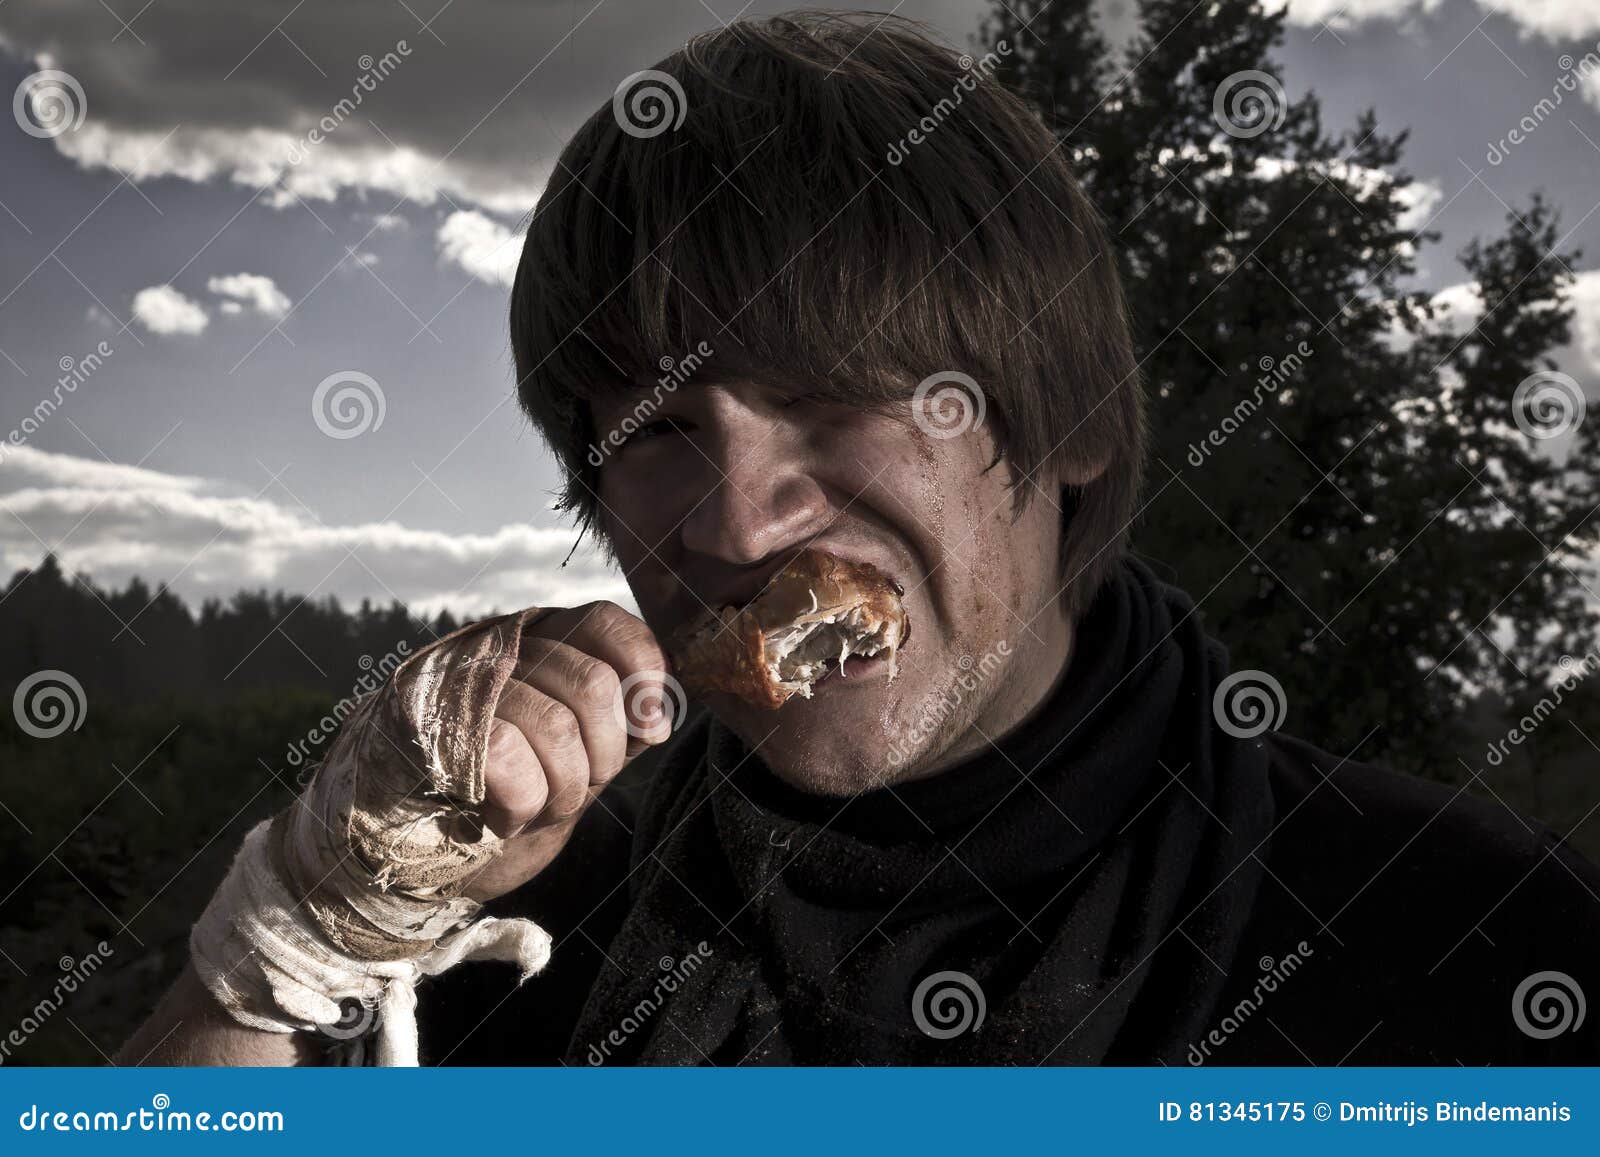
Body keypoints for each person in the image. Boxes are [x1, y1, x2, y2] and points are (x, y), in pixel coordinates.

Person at [120, 11, 1599, 1068]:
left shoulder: (1468, 940)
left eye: (834, 396)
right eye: (658, 431)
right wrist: (300, 925)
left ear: (1072, 425)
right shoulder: (510, 931)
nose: (737, 519)